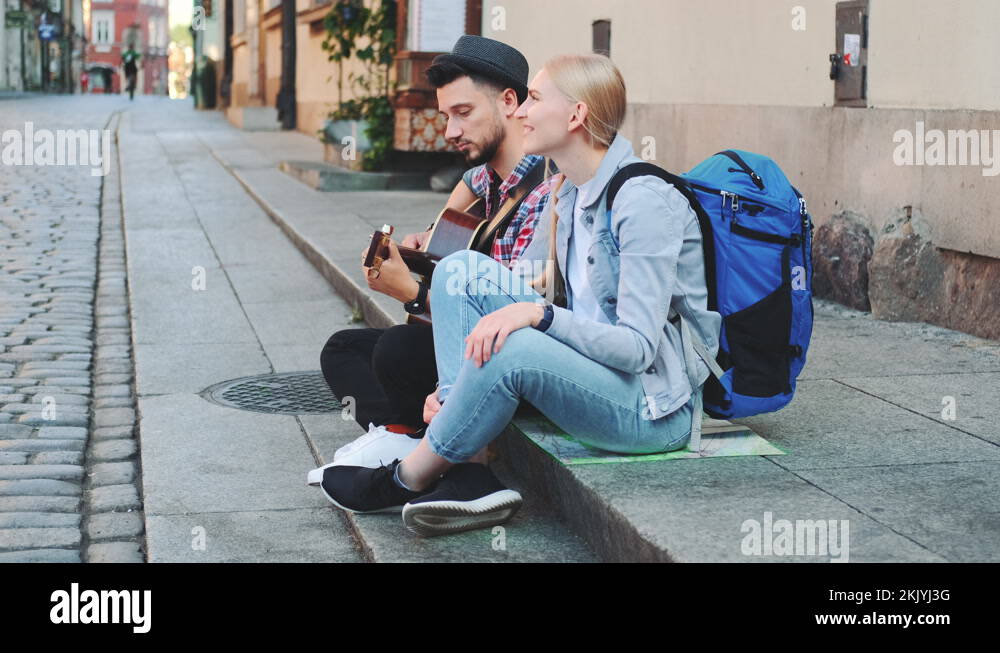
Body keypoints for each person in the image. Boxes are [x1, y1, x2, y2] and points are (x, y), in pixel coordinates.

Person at [319, 54, 722, 537]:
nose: (523, 112)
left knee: (516, 344)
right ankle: (462, 458)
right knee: (461, 271)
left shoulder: (642, 203)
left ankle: (409, 477)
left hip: (651, 410)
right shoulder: (570, 192)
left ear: (575, 116)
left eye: (534, 98)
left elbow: (636, 348)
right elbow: (530, 285)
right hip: (597, 374)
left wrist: (537, 314)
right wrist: (457, 385)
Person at [312, 36, 557, 477]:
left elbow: (508, 317)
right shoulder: (491, 174)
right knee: (343, 349)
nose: (450, 131)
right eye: (446, 116)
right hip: (464, 348)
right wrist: (431, 235)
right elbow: (467, 187)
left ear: (508, 102)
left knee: (397, 348)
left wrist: (412, 292)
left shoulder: (544, 194)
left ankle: (410, 438)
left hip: (506, 359)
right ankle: (404, 433)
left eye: (463, 113)